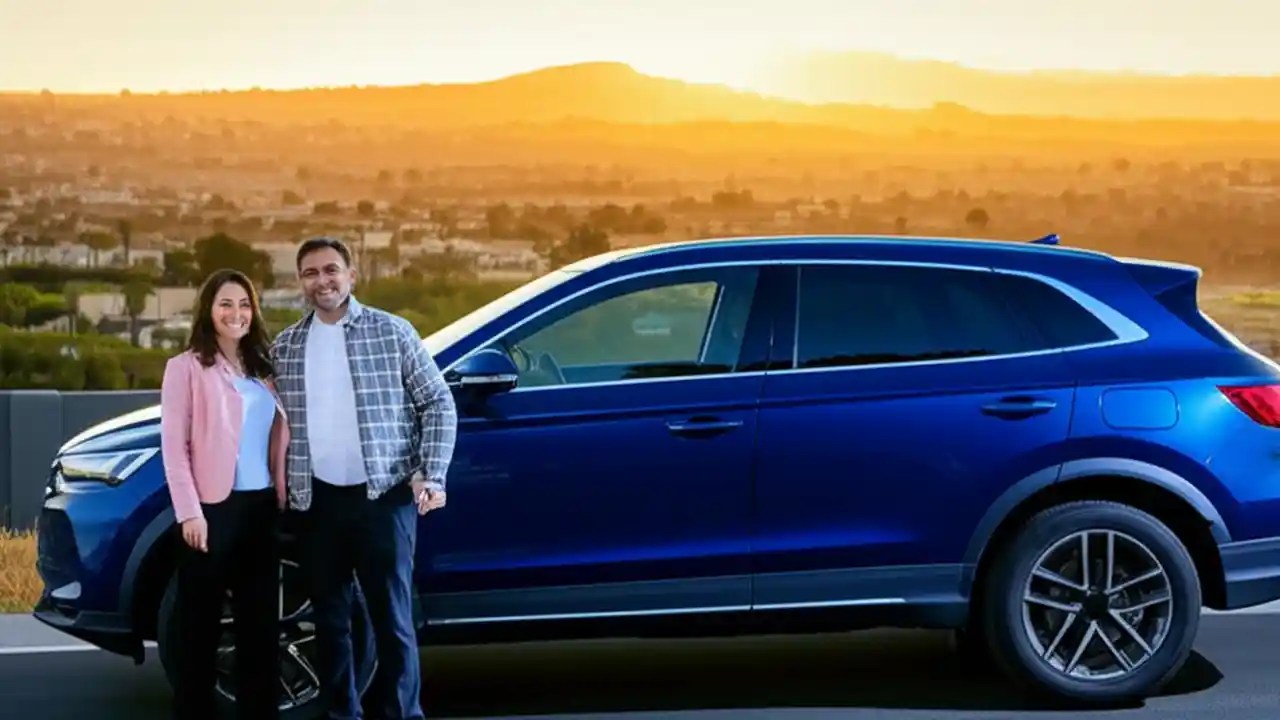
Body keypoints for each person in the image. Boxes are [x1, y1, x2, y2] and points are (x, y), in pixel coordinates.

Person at [272, 236, 457, 719]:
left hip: (384, 498)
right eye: (310, 273)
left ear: (352, 276)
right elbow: (271, 421)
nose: (322, 281)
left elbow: (437, 403)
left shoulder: (392, 332)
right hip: (317, 504)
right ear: (300, 283)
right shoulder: (287, 346)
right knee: (332, 623)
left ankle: (403, 714)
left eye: (331, 270)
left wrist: (431, 472)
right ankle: (341, 715)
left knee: (392, 620)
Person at [159, 268, 289, 720]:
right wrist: (189, 513)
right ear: (209, 311)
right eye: (225, 304)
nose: (236, 313)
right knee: (199, 632)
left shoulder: (263, 369)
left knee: (261, 631)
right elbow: (174, 449)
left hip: (259, 510)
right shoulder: (185, 368)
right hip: (211, 511)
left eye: (244, 304)